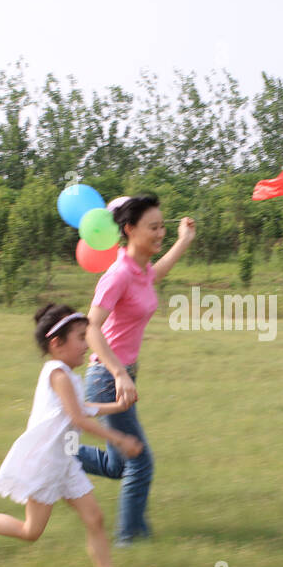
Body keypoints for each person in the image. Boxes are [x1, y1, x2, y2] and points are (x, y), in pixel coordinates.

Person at [0, 303, 151, 567]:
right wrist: (119, 439)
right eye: (81, 338)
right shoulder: (57, 374)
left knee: (94, 518)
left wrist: (116, 406)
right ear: (57, 343)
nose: (86, 345)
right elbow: (78, 418)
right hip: (46, 463)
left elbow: (82, 407)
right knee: (30, 531)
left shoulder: (67, 375)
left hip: (65, 461)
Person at [77, 193, 195, 546]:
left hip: (120, 375)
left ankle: (58, 451)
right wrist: (119, 373)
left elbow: (156, 274)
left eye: (162, 227)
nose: (160, 233)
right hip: (107, 377)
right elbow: (90, 328)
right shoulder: (118, 274)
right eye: (153, 227)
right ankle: (129, 539)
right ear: (129, 229)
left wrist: (183, 240)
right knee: (140, 460)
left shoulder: (139, 270)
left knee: (117, 465)